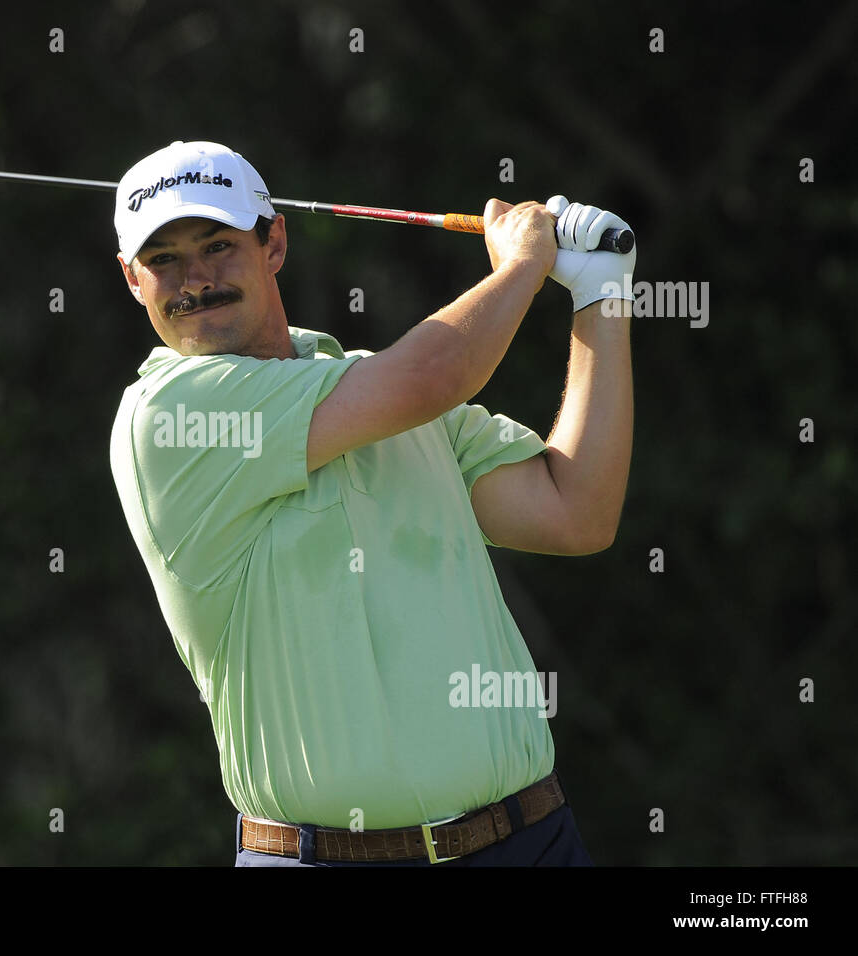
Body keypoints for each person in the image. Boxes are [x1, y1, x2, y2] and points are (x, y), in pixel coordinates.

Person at [108, 140, 635, 866]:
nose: (194, 279)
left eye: (218, 245)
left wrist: (603, 293)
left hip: (528, 843)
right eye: (163, 259)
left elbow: (575, 511)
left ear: (275, 241)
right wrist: (522, 264)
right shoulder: (166, 417)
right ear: (133, 280)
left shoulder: (379, 391)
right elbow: (438, 371)